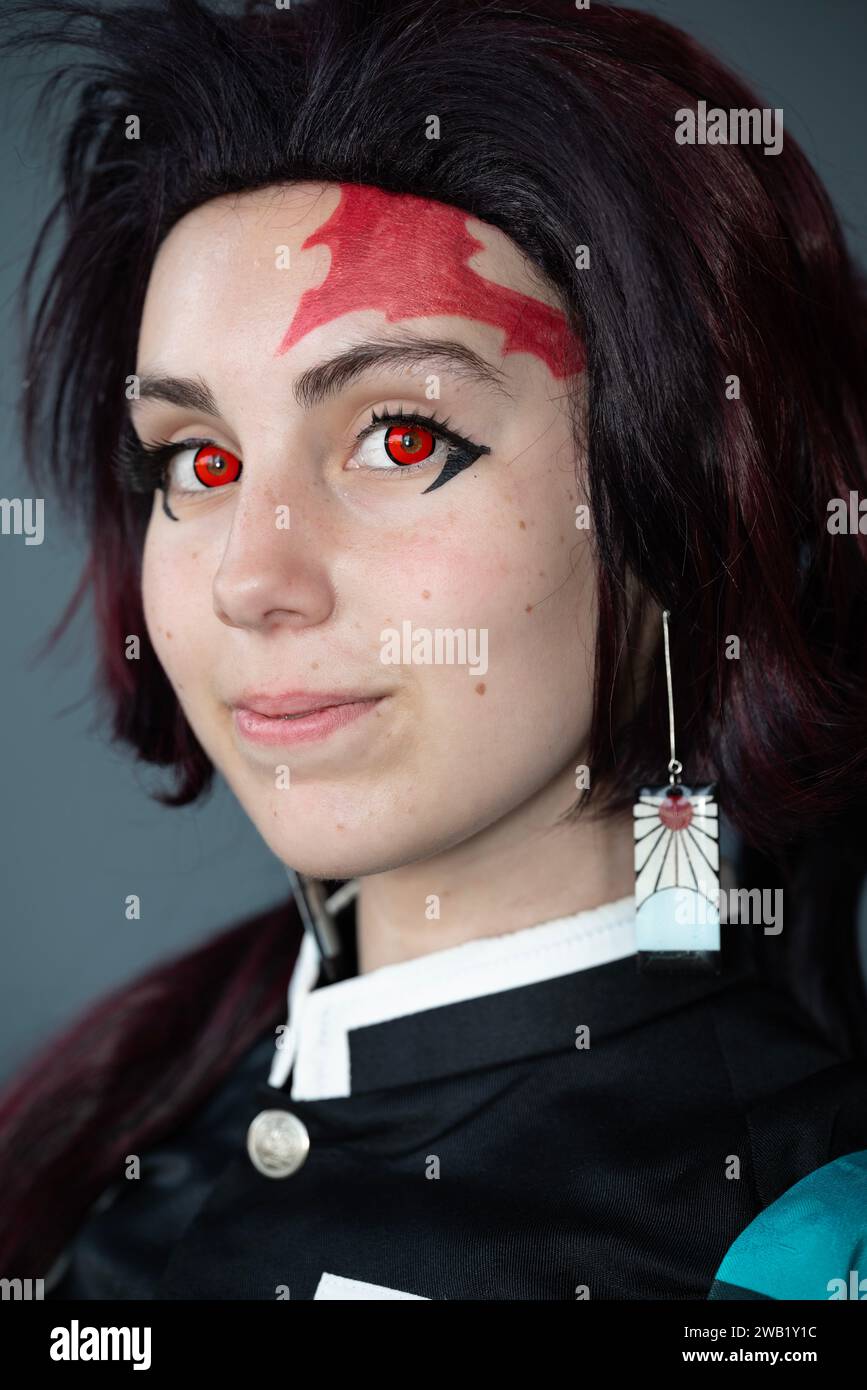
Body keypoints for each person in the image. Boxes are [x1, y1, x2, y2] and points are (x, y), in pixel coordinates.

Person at [1, 0, 867, 1302]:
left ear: (692, 508)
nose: (251, 576)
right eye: (201, 459)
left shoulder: (786, 1252)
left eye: (402, 436)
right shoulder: (107, 1104)